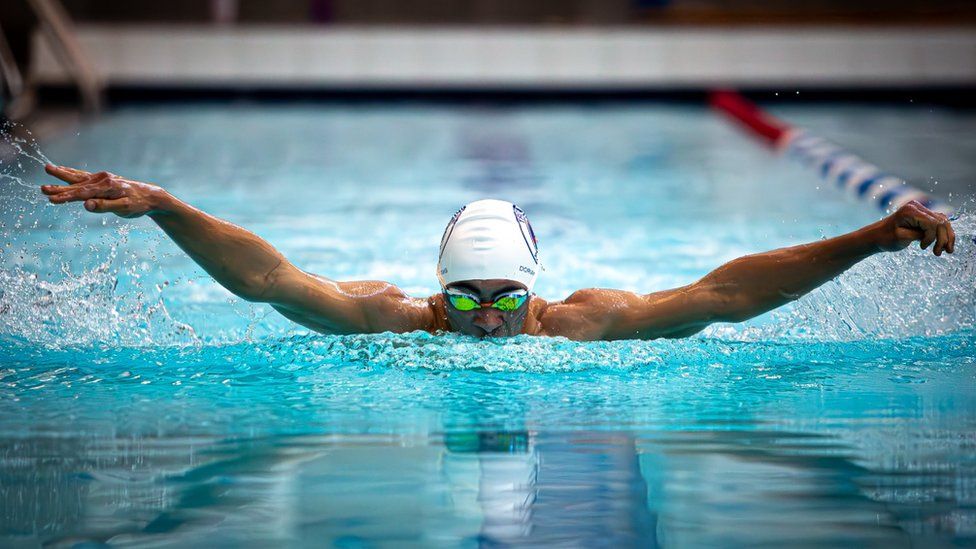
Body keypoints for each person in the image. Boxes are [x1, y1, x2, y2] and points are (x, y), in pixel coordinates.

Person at [40, 164, 956, 341]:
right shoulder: (401, 319)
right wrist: (165, 206)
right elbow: (272, 281)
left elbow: (724, 295)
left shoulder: (581, 323)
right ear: (438, 290)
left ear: (534, 291)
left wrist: (868, 237)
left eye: (504, 298)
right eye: (467, 298)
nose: (484, 319)